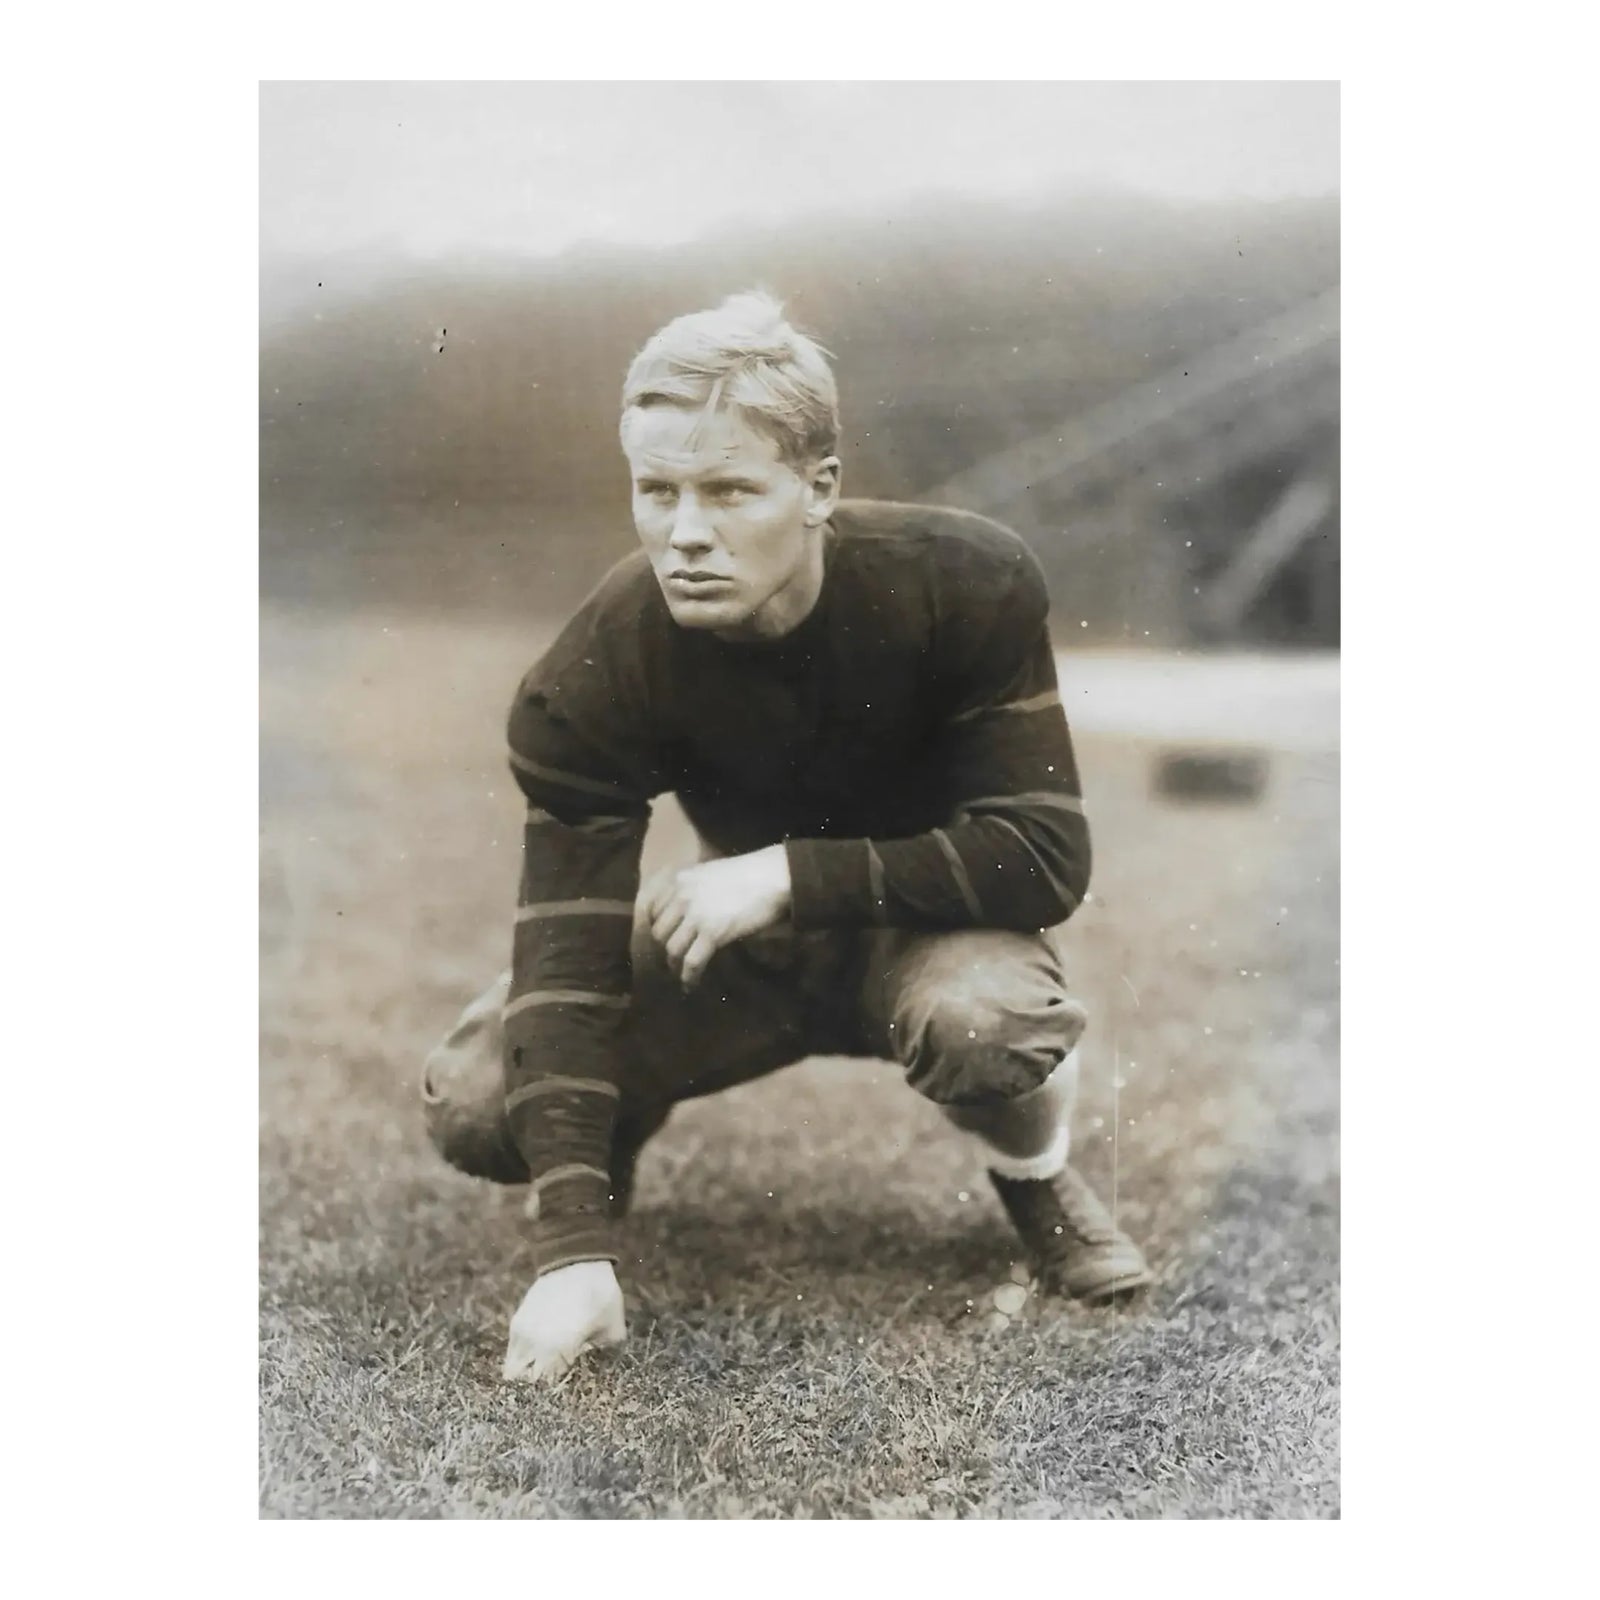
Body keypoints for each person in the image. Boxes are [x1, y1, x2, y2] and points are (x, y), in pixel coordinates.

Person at [422, 290, 1153, 1386]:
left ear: (818, 488)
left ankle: (1036, 1171)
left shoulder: (960, 579)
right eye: (656, 491)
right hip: (742, 952)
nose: (686, 532)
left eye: (728, 490)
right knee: (479, 1100)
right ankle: (607, 1141)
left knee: (988, 1018)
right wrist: (567, 1245)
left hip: (924, 934)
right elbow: (564, 962)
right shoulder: (599, 666)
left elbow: (1043, 857)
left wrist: (780, 873)